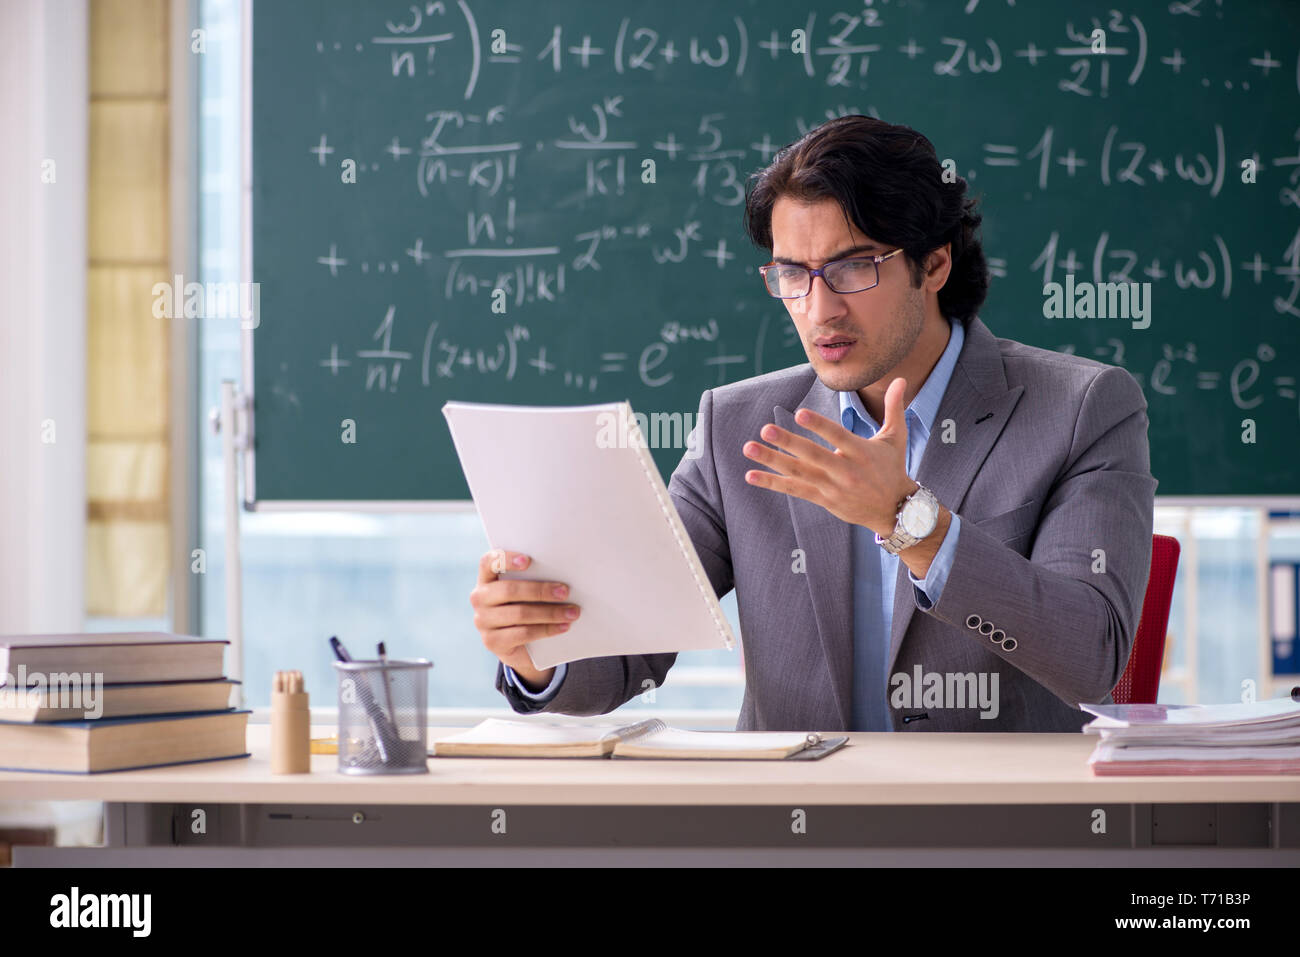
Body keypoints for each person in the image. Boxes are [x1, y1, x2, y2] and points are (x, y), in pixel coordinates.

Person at [469, 114, 1157, 732]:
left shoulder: (1082, 408)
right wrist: (539, 650)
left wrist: (907, 518)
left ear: (935, 263)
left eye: (853, 267)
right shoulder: (733, 425)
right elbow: (630, 650)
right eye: (793, 274)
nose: (818, 309)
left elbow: (1091, 654)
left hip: (989, 829)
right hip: (790, 828)